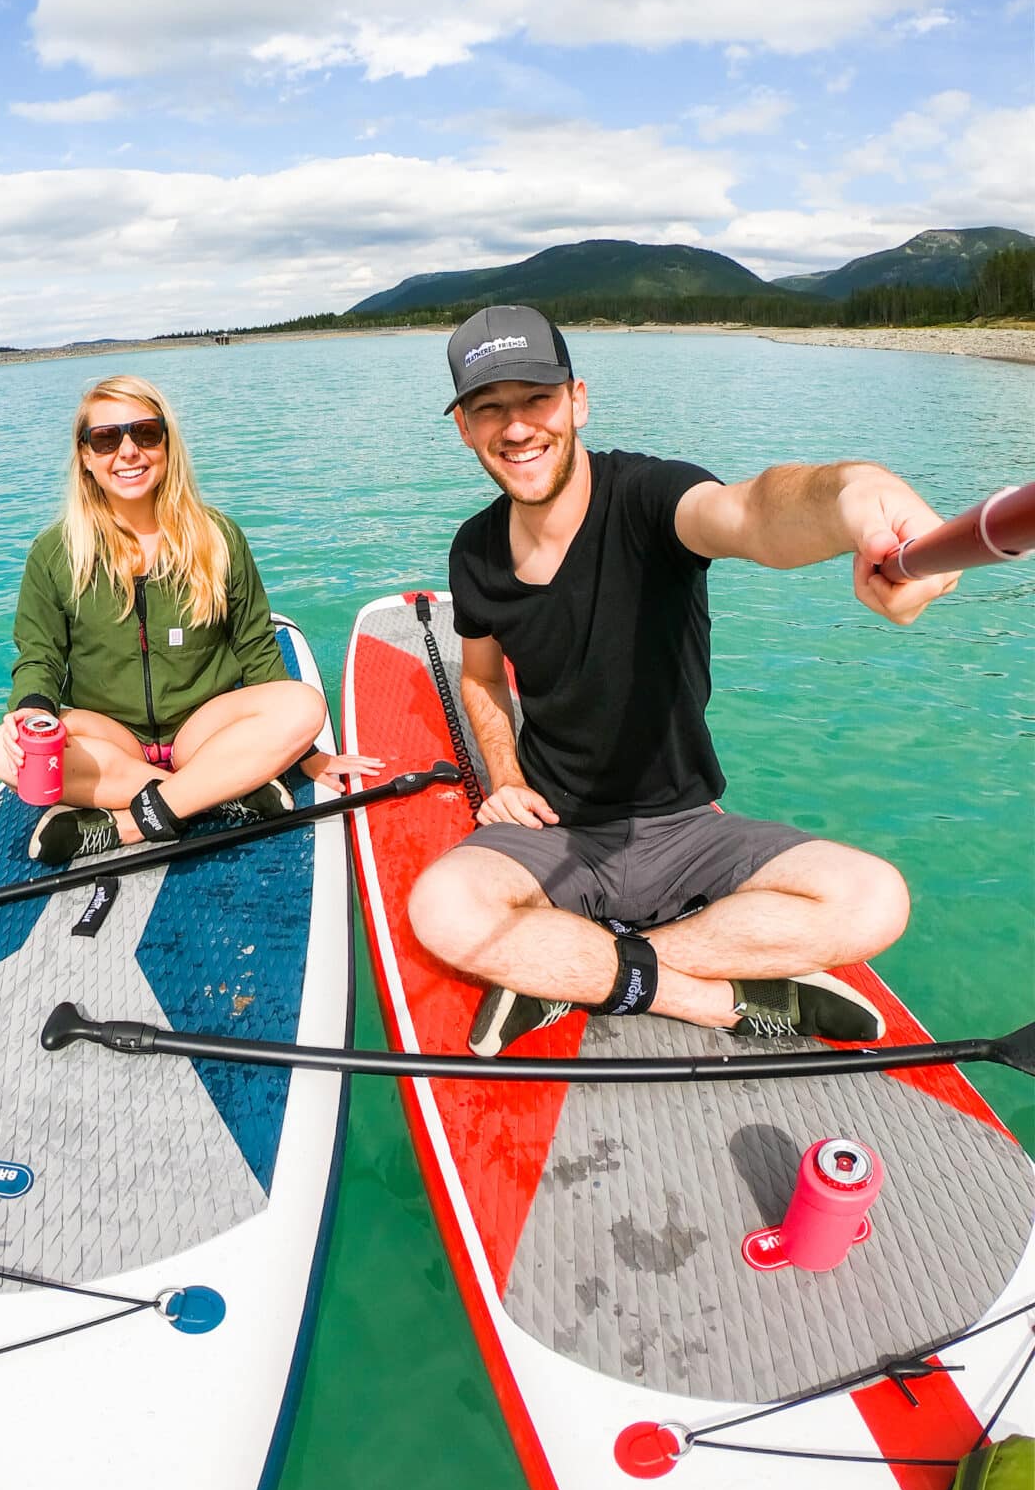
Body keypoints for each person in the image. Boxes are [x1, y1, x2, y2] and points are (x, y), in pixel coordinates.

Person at [406, 305, 957, 1057]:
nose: (517, 427)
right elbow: (480, 679)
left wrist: (860, 493)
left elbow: (756, 511)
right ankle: (710, 997)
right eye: (489, 408)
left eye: (537, 398)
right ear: (465, 428)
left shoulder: (649, 498)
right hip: (555, 829)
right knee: (442, 906)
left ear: (578, 401)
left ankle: (562, 970)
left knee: (873, 899)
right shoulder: (473, 551)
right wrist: (503, 775)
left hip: (684, 828)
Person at [0, 374, 377, 865]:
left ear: (167, 444)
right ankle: (216, 791)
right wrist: (33, 713)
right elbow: (39, 655)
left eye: (145, 433)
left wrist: (306, 754)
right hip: (113, 741)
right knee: (2, 753)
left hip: (201, 731)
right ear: (85, 457)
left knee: (302, 707)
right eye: (106, 439)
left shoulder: (218, 537)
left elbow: (256, 647)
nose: (128, 451)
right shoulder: (54, 554)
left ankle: (128, 824)